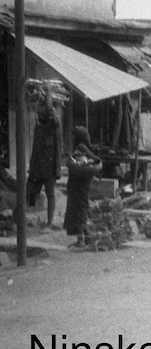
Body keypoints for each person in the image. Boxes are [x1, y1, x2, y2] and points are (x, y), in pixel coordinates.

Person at [26, 87, 63, 229]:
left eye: (41, 114)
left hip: (49, 168)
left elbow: (50, 111)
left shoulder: (53, 127)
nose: (39, 116)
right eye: (38, 113)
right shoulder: (38, 128)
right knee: (30, 194)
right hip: (37, 168)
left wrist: (48, 93)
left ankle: (49, 222)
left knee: (50, 195)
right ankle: (27, 219)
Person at [63, 126, 100, 248]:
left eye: (73, 136)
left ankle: (81, 240)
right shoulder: (81, 147)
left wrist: (81, 163)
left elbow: (95, 160)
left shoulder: (81, 147)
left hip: (79, 182)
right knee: (81, 208)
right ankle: (87, 236)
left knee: (78, 209)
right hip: (78, 182)